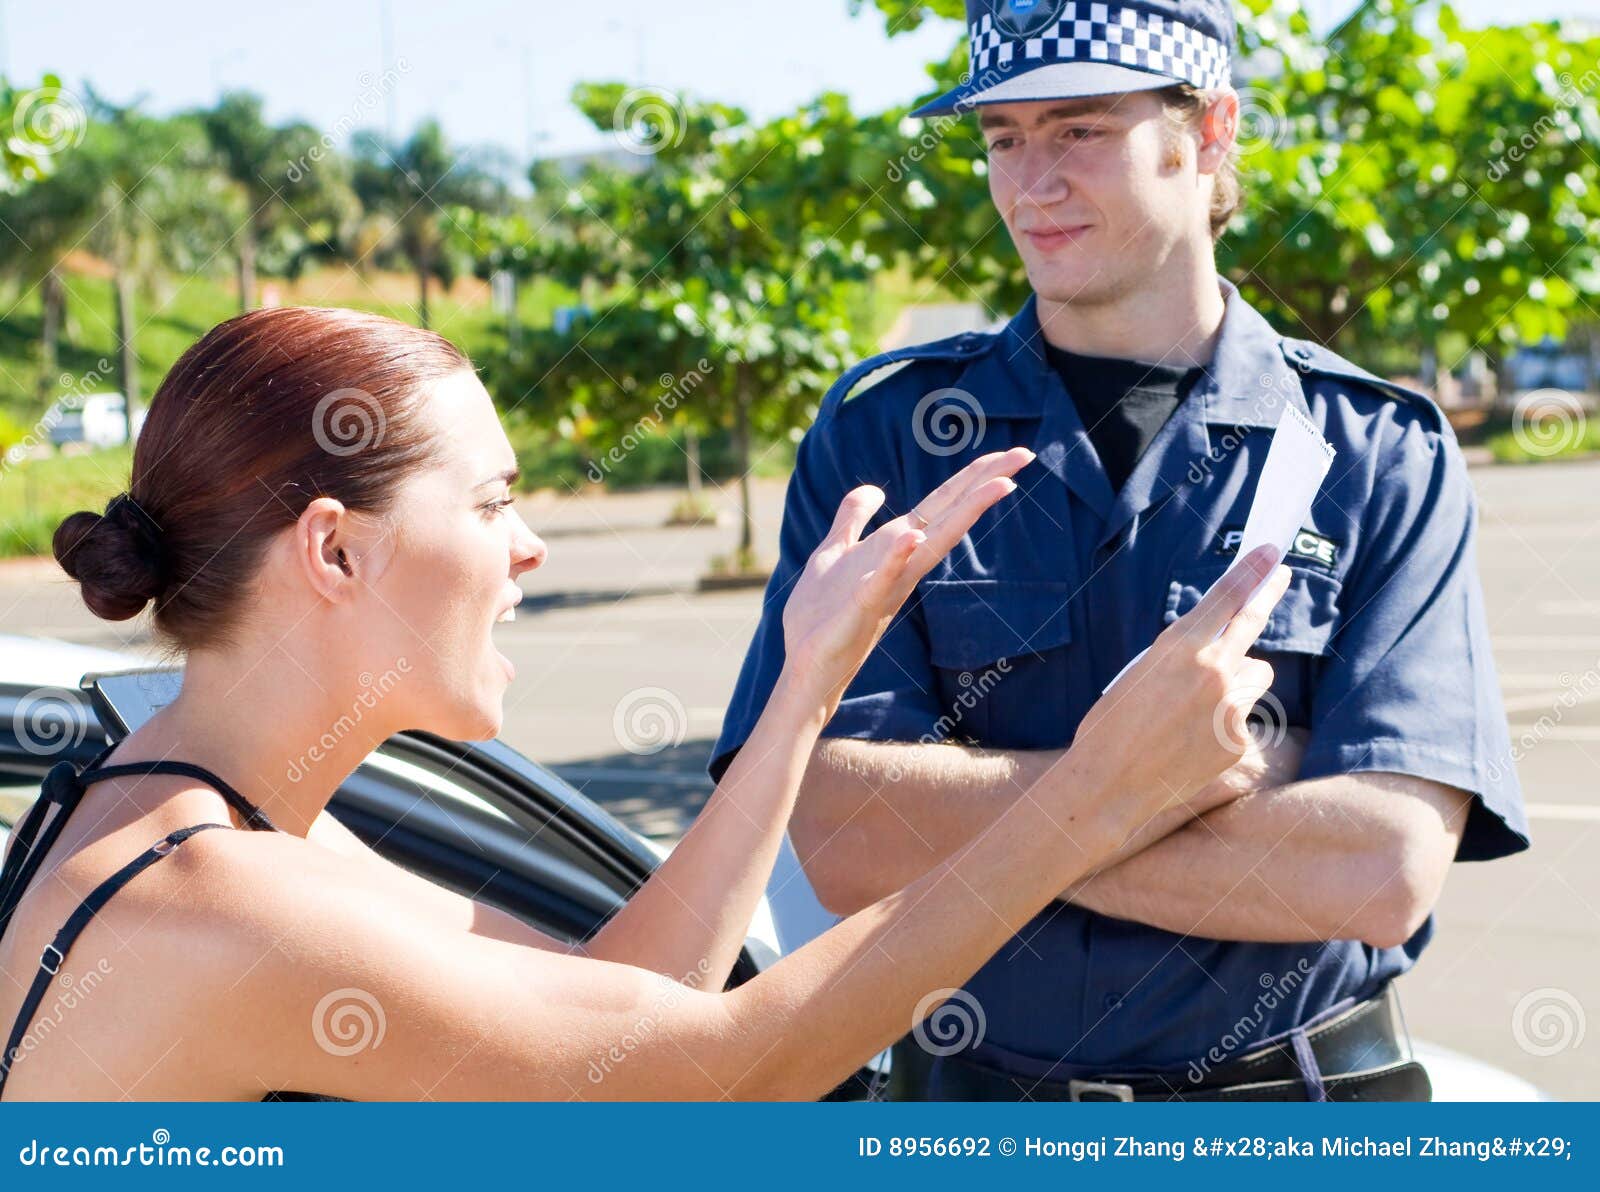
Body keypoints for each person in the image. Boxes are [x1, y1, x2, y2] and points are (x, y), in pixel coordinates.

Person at [0, 305, 1289, 1101]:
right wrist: (1091, 796)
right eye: (494, 502)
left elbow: (628, 1000)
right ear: (335, 551)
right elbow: (714, 1083)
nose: (529, 549)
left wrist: (805, 688)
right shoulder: (216, 902)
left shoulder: (217, 827)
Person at [711, 0, 1527, 1101]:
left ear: (1209, 132)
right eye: (1004, 138)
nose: (1028, 183)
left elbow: (1377, 869)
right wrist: (1145, 792)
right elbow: (841, 834)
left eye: (1079, 129)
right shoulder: (885, 437)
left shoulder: (1374, 448)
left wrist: (981, 826)